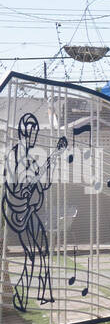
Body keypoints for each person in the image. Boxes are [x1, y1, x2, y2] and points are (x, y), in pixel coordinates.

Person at [2, 114, 67, 313]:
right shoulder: (13, 155)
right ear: (22, 132)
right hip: (17, 211)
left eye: (34, 133)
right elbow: (10, 183)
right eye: (29, 132)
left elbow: (44, 183)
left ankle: (43, 293)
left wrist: (55, 157)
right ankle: (20, 299)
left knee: (42, 250)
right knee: (31, 254)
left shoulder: (32, 159)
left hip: (29, 211)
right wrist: (20, 190)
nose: (32, 136)